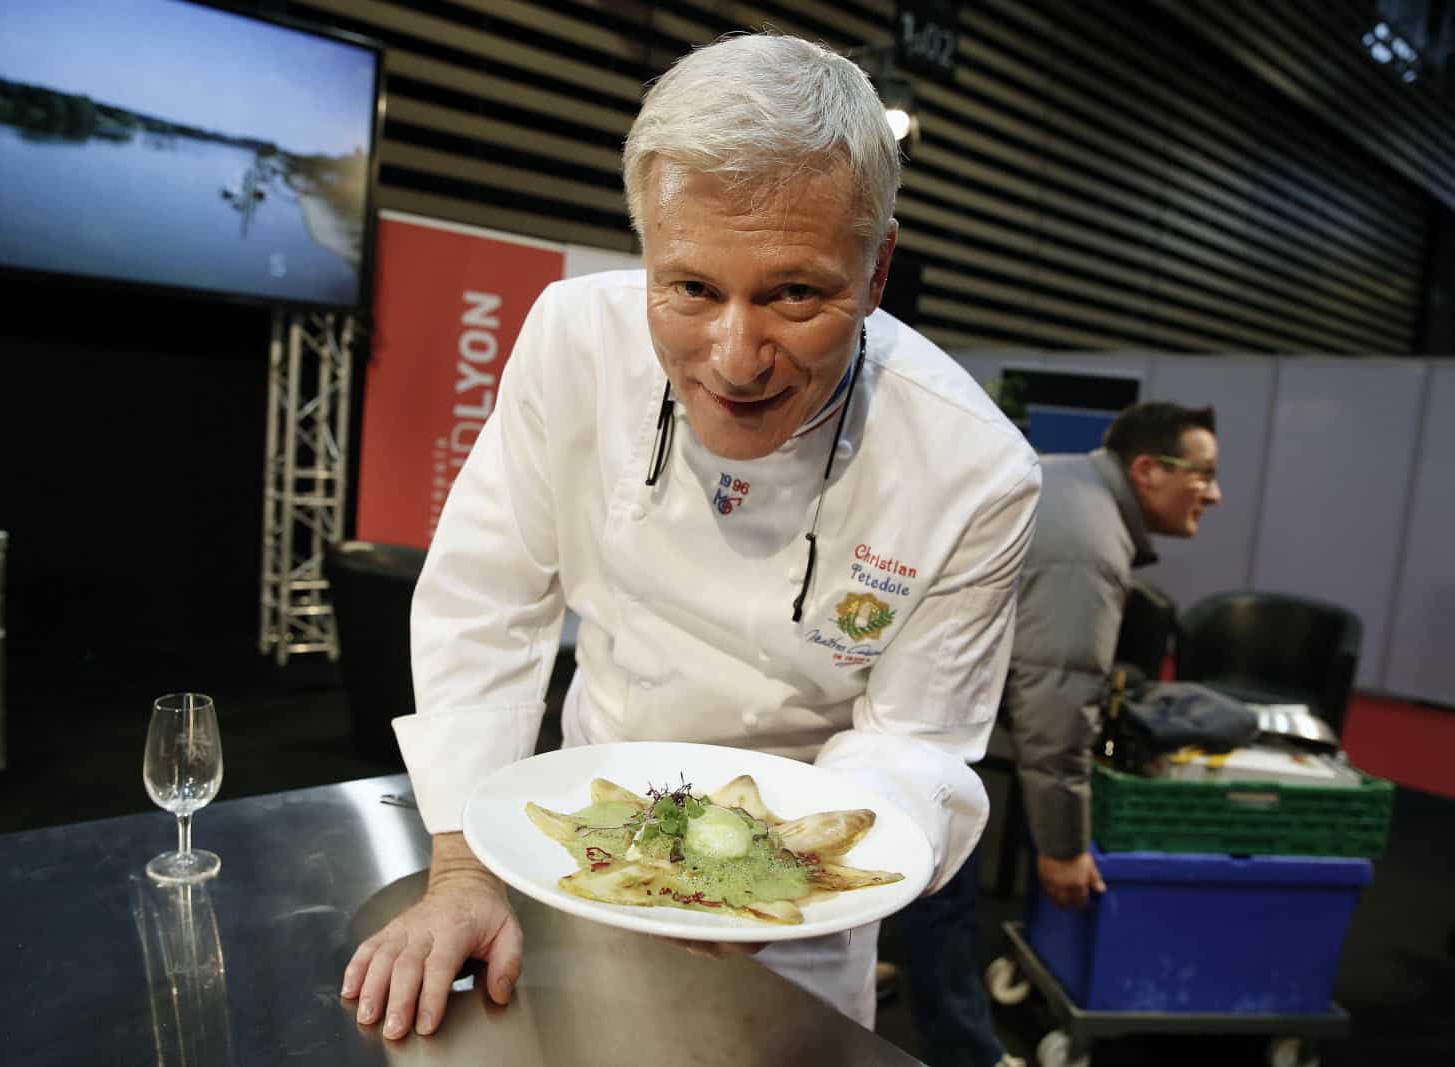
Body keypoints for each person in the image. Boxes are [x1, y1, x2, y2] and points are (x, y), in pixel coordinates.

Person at [341, 32, 1041, 1042]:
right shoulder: (569, 341)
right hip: (577, 841)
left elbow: (914, 739)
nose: (736, 357)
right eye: (691, 289)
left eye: (795, 293)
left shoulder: (973, 469)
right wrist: (462, 868)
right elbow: (488, 599)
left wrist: (773, 873)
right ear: (645, 251)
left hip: (801, 898)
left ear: (877, 269)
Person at [899, 402, 1221, 1067]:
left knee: (930, 876)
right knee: (945, 880)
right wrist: (1063, 845)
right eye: (1205, 474)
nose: (1215, 493)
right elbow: (1056, 699)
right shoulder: (1088, 540)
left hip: (909, 690)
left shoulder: (1070, 483)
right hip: (918, 710)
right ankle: (967, 1053)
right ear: (1148, 469)